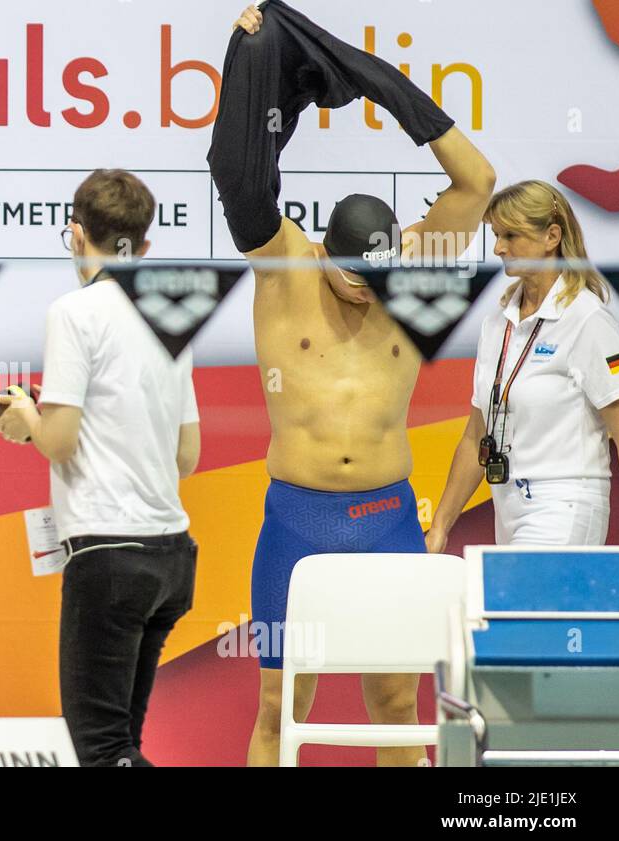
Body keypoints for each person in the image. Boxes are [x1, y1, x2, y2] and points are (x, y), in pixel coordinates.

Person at [209, 2, 496, 766]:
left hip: (387, 519)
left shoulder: (410, 267)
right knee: (277, 704)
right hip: (294, 526)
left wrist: (384, 86)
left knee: (398, 701)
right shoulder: (287, 266)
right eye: (353, 275)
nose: (369, 290)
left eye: (379, 276)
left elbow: (479, 180)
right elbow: (237, 174)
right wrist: (256, 56)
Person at [0, 169, 200, 766]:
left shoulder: (74, 311)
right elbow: (187, 456)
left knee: (101, 750)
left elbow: (58, 442)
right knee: (121, 747)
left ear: (76, 235)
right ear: (145, 245)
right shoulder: (172, 315)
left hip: (107, 555)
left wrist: (27, 411)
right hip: (170, 555)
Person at [427, 181, 619, 549]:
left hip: (566, 505)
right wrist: (440, 526)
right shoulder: (497, 324)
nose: (499, 247)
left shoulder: (587, 319)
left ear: (552, 236)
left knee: (528, 608)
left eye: (511, 235)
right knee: (513, 608)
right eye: (497, 235)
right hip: (509, 506)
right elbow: (476, 437)